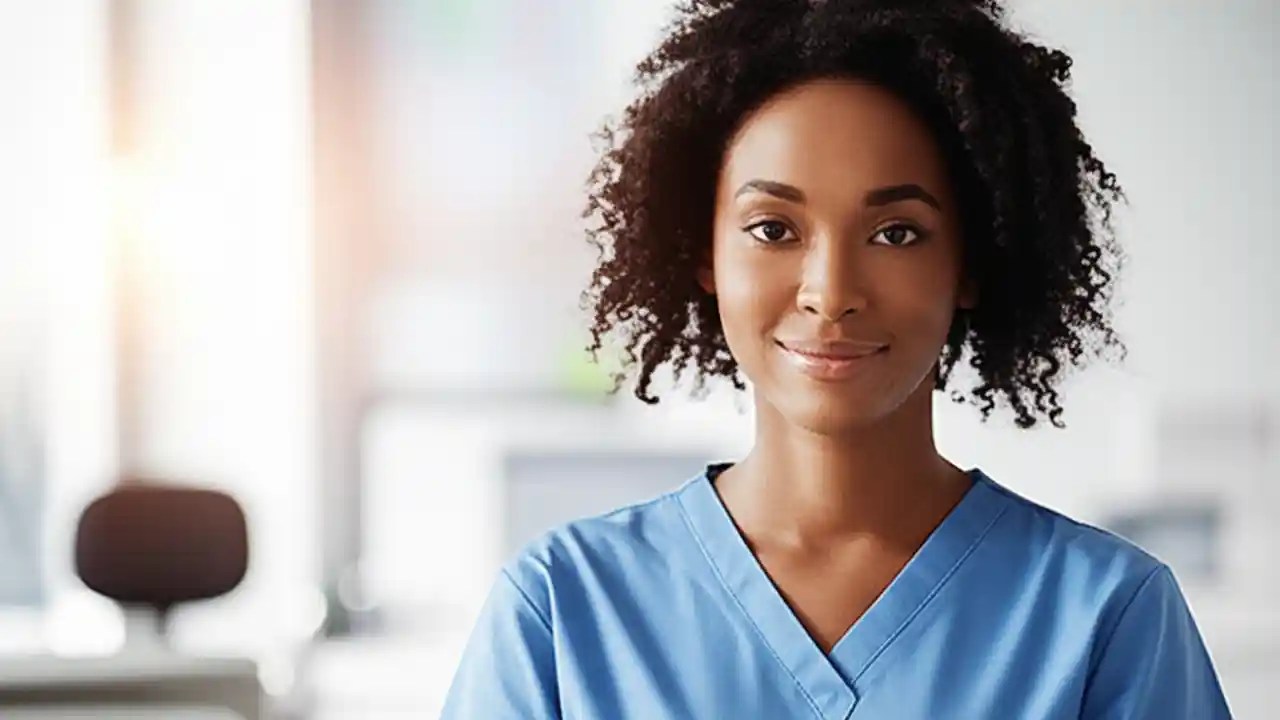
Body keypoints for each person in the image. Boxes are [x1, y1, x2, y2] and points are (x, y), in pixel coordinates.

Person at [440, 0, 1233, 717]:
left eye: (896, 233)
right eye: (773, 229)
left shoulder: (1108, 620)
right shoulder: (561, 612)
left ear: (972, 262)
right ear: (702, 253)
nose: (831, 291)